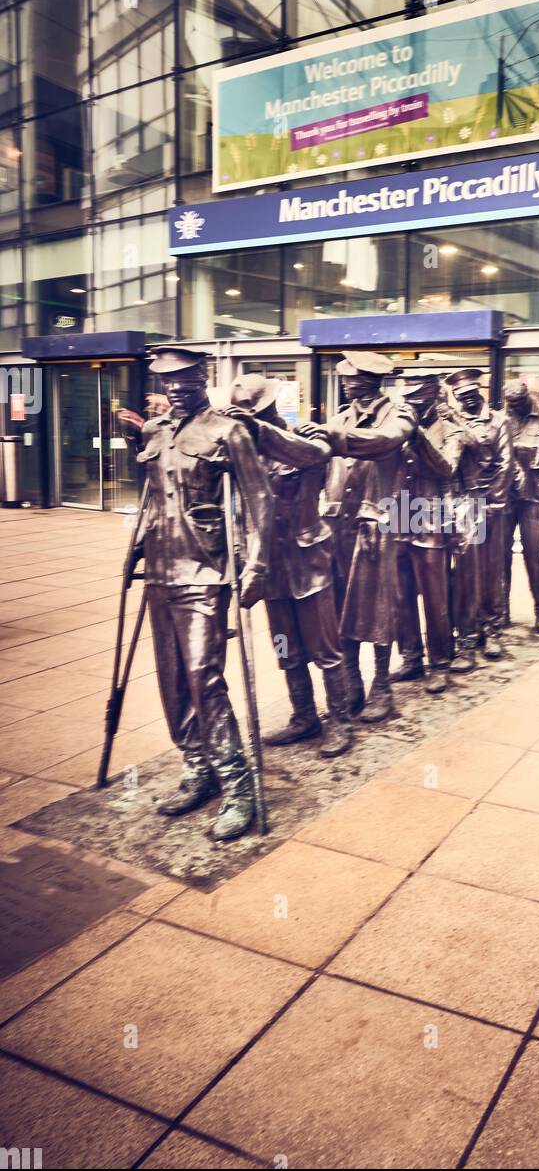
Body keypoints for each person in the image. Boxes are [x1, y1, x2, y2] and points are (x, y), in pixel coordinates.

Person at [133, 346, 273, 841]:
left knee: (204, 679)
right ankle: (198, 768)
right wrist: (136, 545)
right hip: (160, 571)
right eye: (167, 382)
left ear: (202, 379)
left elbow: (260, 499)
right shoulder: (155, 432)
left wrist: (257, 562)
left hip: (205, 572)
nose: (175, 389)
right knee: (173, 682)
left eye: (185, 380)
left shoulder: (227, 430)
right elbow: (154, 497)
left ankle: (238, 786)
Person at [228, 375, 353, 759]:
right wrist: (240, 551)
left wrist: (258, 430)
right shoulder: (243, 452)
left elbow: (314, 457)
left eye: (258, 413)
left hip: (308, 563)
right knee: (285, 648)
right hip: (271, 566)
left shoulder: (306, 438)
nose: (252, 419)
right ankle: (303, 715)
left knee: (326, 648)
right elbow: (237, 508)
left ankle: (340, 720)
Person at [323, 349, 416, 722]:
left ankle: (382, 687)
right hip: (339, 524)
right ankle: (351, 684)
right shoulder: (341, 416)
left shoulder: (399, 414)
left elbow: (384, 441)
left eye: (351, 378)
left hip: (379, 522)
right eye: (344, 378)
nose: (345, 383)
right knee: (341, 606)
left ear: (370, 380)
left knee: (378, 607)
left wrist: (335, 436)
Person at [389, 370, 466, 693]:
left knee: (435, 598)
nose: (412, 406)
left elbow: (447, 467)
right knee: (400, 594)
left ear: (434, 396)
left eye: (418, 399)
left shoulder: (452, 430)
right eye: (408, 399)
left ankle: (440, 662)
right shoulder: (396, 426)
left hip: (432, 518)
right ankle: (411, 656)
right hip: (398, 515)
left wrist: (417, 435)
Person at [444, 368, 513, 666]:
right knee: (466, 574)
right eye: (461, 397)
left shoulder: (499, 422)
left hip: (489, 503)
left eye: (471, 394)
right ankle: (467, 635)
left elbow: (506, 465)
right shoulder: (451, 420)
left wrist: (494, 505)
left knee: (492, 569)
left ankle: (493, 629)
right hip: (462, 505)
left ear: (480, 390)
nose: (467, 400)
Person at [502, 377, 539, 632]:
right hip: (504, 496)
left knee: (534, 555)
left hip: (531, 497)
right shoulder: (501, 419)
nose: (514, 406)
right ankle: (500, 611)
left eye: (518, 402)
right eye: (510, 403)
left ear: (526, 398)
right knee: (499, 557)